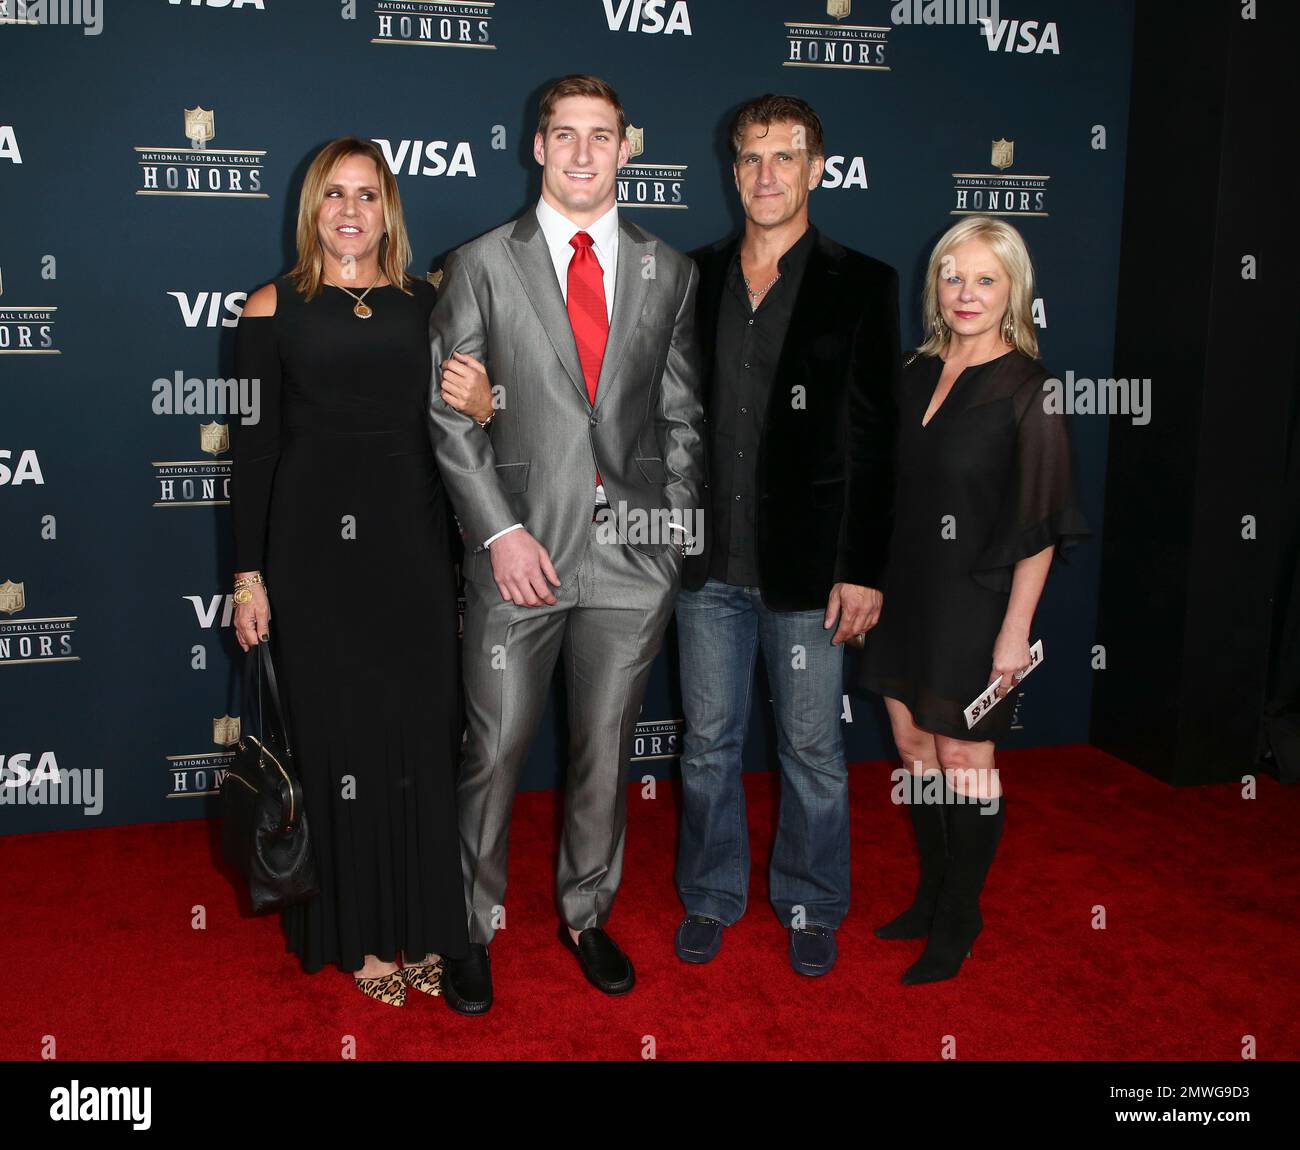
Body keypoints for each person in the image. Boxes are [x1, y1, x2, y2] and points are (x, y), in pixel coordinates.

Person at [426, 74, 705, 1015]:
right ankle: (469, 926)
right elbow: (450, 416)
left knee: (602, 752)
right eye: (565, 135)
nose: (584, 153)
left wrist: (668, 534)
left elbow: (679, 415)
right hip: (517, 556)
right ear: (535, 147)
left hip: (631, 561)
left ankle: (588, 915)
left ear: (627, 148)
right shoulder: (478, 265)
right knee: (496, 748)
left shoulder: (670, 268)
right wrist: (498, 532)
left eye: (602, 135)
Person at [230, 136, 491, 1006]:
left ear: (390, 209)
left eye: (368, 195)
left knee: (417, 736)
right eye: (334, 194)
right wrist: (247, 577)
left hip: (412, 549)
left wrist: (490, 403)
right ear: (312, 210)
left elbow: (477, 415)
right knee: (336, 737)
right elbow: (254, 454)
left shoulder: (431, 302)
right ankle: (358, 939)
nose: (350, 210)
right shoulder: (272, 306)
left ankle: (421, 925)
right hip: (310, 557)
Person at [673, 94, 900, 977]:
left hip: (810, 577)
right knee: (706, 747)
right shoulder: (694, 277)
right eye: (750, 158)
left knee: (812, 751)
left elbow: (876, 441)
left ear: (816, 168)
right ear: (733, 172)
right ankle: (710, 895)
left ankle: (811, 901)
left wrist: (863, 569)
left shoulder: (862, 284)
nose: (766, 175)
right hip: (707, 570)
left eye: (785, 157)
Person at [859, 216, 1089, 984]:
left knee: (964, 756)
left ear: (1013, 290)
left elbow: (1042, 525)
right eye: (954, 276)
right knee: (913, 748)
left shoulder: (1031, 390)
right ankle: (930, 894)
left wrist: (1014, 634)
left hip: (977, 602)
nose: (967, 293)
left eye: (986, 279)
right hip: (902, 592)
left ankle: (961, 915)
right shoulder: (913, 371)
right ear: (936, 285)